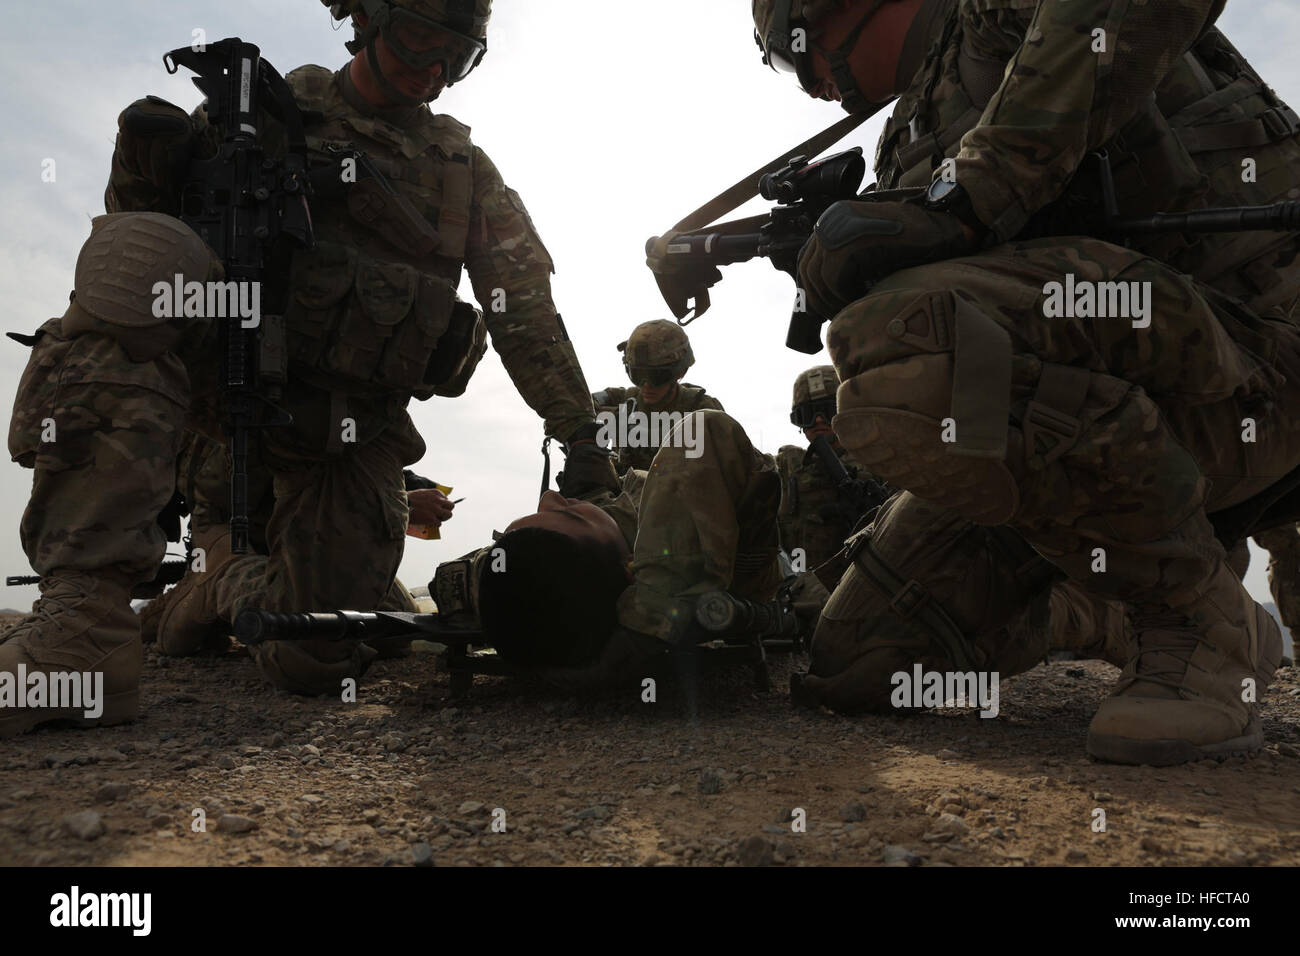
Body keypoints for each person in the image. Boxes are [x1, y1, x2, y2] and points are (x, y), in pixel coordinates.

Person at [0, 0, 618, 738]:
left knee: (316, 653)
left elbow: (524, 310)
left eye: (457, 57)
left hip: (342, 432)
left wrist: (579, 431)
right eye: (420, 41)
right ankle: (82, 635)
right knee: (137, 265)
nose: (433, 71)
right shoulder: (260, 116)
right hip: (216, 401)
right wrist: (139, 165)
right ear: (370, 21)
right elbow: (140, 239)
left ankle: (218, 576)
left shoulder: (463, 174)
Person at [751, 0, 1300, 764]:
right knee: (866, 659)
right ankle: (1102, 605)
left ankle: (1194, 616)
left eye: (794, 52)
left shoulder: (995, 15)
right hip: (1100, 433)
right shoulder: (905, 144)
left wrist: (965, 198)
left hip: (1256, 372)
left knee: (904, 335)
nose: (808, 85)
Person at [434, 410, 789, 689]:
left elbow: (473, 580)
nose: (548, 497)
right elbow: (703, 431)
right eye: (569, 512)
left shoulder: (524, 583)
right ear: (630, 567)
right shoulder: (674, 565)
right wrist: (647, 619)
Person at [776, 365, 876, 587]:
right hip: (801, 594)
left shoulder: (880, 465)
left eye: (827, 410)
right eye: (809, 414)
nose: (819, 421)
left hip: (864, 589)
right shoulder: (785, 467)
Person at [592, 320, 724, 473]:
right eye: (638, 375)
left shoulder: (702, 411)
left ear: (680, 372)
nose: (646, 385)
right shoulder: (625, 400)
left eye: (657, 376)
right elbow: (582, 403)